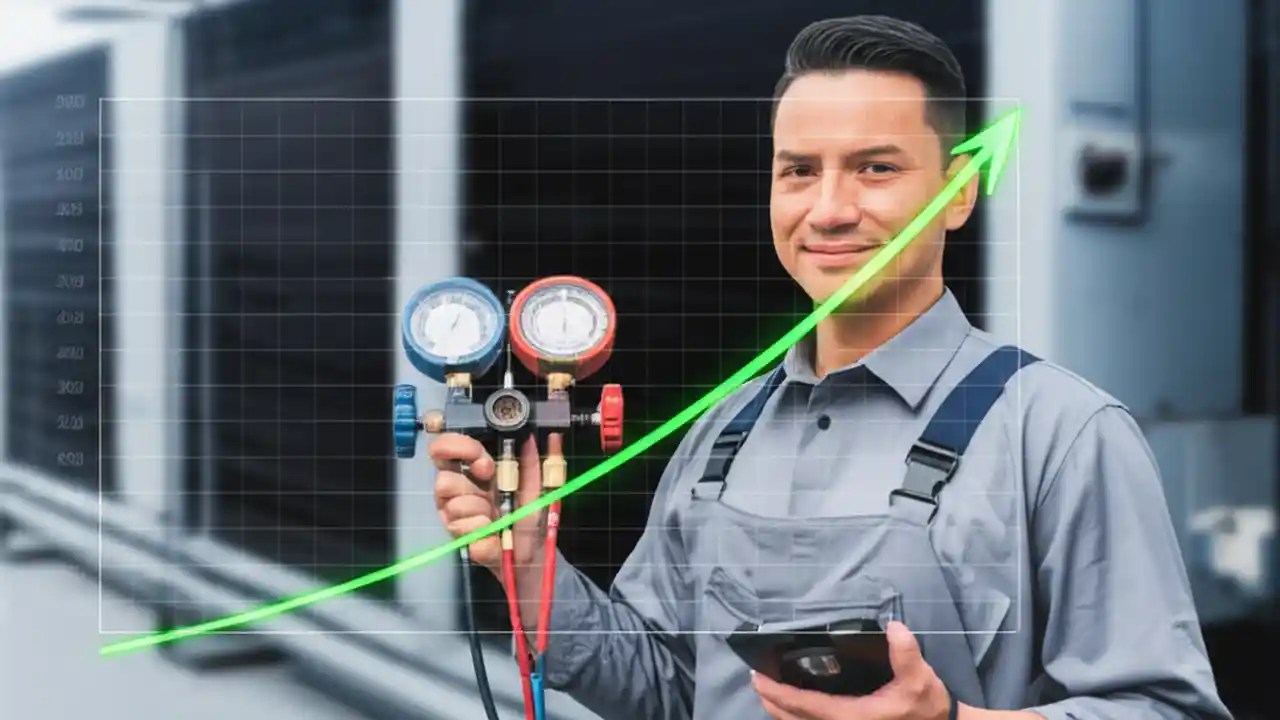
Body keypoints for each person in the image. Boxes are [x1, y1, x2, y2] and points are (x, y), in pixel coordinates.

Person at [431, 15, 1233, 720]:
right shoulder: (723, 434)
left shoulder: (1060, 434)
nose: (830, 209)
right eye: (799, 170)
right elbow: (670, 693)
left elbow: (1167, 711)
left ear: (957, 192)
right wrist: (530, 558)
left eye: (876, 168)